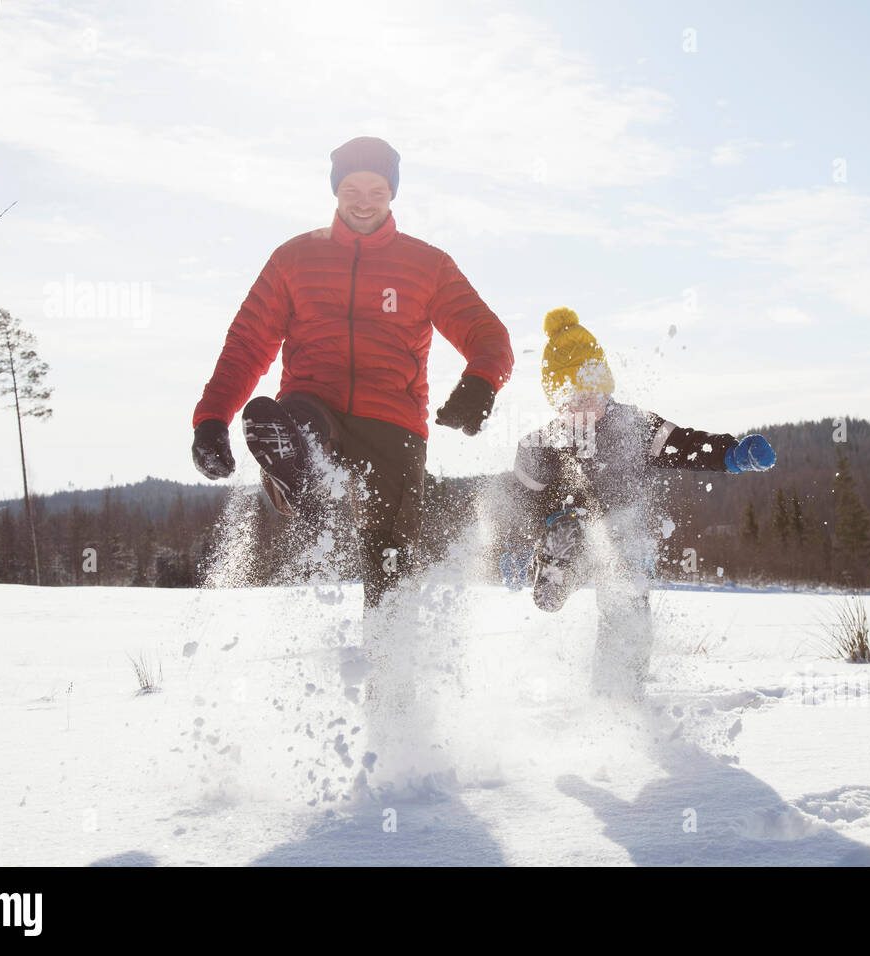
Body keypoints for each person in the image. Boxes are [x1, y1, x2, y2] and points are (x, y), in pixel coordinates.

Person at [190, 136, 514, 611]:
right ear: (336, 191)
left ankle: (391, 672)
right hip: (314, 406)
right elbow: (248, 343)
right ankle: (305, 482)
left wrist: (480, 383)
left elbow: (490, 336)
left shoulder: (427, 265)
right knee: (293, 420)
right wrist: (212, 418)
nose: (364, 202)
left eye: (376, 191)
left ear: (392, 194)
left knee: (391, 573)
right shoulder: (294, 259)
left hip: (394, 427)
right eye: (352, 190)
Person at [510, 307, 775, 702]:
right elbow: (520, 496)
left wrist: (730, 453)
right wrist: (518, 542)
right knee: (566, 522)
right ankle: (553, 568)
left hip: (623, 533)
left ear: (606, 389)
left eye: (592, 396)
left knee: (628, 600)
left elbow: (685, 444)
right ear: (557, 401)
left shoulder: (634, 426)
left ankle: (618, 696)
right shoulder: (545, 441)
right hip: (569, 524)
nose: (584, 407)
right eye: (573, 400)